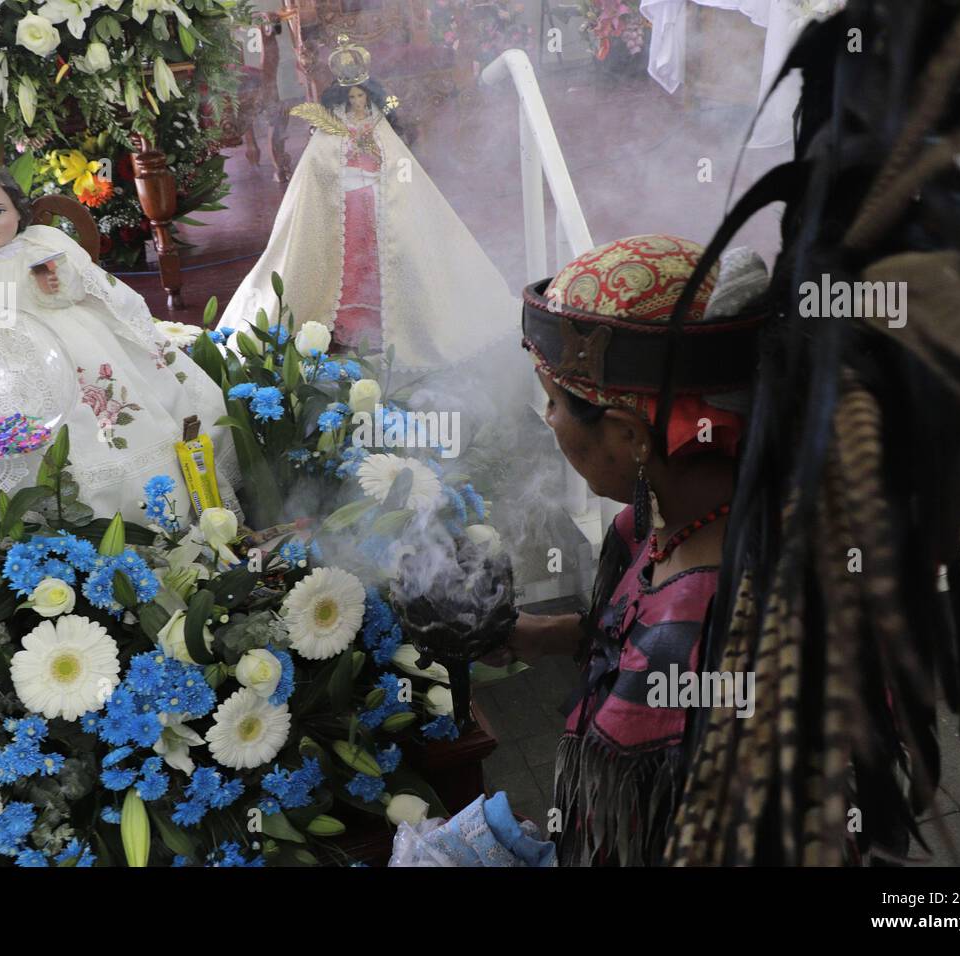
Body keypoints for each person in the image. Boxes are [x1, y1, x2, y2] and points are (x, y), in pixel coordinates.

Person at [501, 234, 768, 866]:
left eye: (555, 401)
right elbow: (624, 640)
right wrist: (533, 635)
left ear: (627, 433)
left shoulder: (706, 621)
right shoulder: (667, 518)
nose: (547, 419)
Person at [0, 162, 241, 524]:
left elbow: (84, 288)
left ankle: (121, 509)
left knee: (94, 410)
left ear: (18, 208)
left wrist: (56, 284)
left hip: (59, 337)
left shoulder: (43, 242)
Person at [214, 35, 517, 367]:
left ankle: (388, 313)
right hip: (345, 206)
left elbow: (398, 166)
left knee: (379, 258)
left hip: (378, 201)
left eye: (362, 95)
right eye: (352, 96)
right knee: (349, 264)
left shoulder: (378, 125)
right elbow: (318, 168)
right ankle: (347, 310)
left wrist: (384, 174)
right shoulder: (331, 130)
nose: (358, 101)